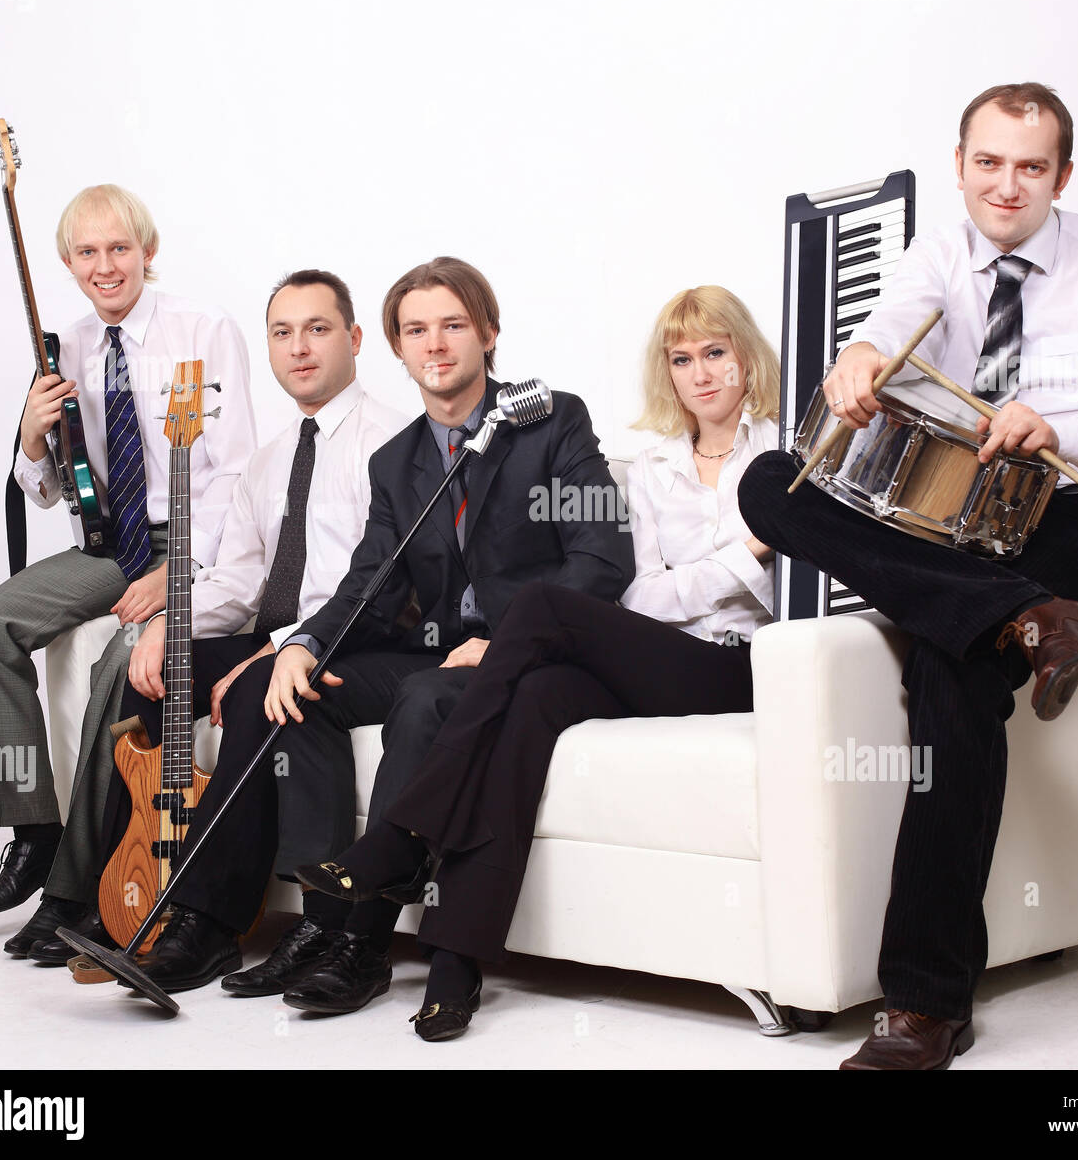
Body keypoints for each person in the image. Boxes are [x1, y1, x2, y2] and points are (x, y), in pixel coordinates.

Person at [737, 82, 1078, 1069]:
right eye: (988, 162)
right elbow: (897, 320)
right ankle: (1028, 621)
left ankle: (922, 1007)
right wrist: (859, 360)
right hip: (957, 531)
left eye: (1030, 167)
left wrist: (1059, 425)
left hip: (1076, 518)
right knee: (773, 480)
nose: (1007, 184)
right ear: (960, 165)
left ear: (1060, 176)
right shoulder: (938, 254)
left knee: (946, 675)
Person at [123, 256, 635, 997]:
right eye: (417, 330)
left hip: (539, 658)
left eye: (454, 325)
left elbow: (603, 557)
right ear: (395, 346)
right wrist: (301, 646)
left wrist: (507, 639)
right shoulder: (397, 462)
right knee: (289, 687)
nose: (436, 344)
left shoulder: (551, 421)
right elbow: (370, 579)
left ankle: (363, 943)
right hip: (438, 652)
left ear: (489, 333)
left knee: (424, 696)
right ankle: (318, 920)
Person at [294, 284, 781, 1038]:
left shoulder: (784, 458)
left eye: (716, 353)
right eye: (682, 359)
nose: (701, 373)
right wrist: (746, 553)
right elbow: (646, 597)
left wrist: (734, 558)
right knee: (528, 705)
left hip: (742, 665)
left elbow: (625, 574)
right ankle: (455, 961)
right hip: (653, 657)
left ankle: (396, 837)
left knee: (539, 611)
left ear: (747, 357)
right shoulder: (652, 466)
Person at [21, 269, 411, 968]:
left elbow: (380, 588)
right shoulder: (270, 459)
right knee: (150, 678)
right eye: (282, 333)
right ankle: (127, 896)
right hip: (277, 634)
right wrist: (174, 622)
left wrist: (276, 653)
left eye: (317, 329)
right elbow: (238, 578)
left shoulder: (391, 445)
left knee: (264, 694)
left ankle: (207, 926)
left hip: (355, 640)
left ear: (353, 338)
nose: (299, 348)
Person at [0, 185, 256, 951]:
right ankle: (34, 834)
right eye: (87, 252)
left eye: (119, 248)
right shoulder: (69, 348)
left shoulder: (202, 329)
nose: (105, 265)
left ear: (146, 252)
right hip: (107, 543)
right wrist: (30, 438)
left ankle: (73, 888)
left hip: (183, 540)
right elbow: (57, 490)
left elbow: (234, 471)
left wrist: (179, 572)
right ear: (67, 262)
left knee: (121, 658)